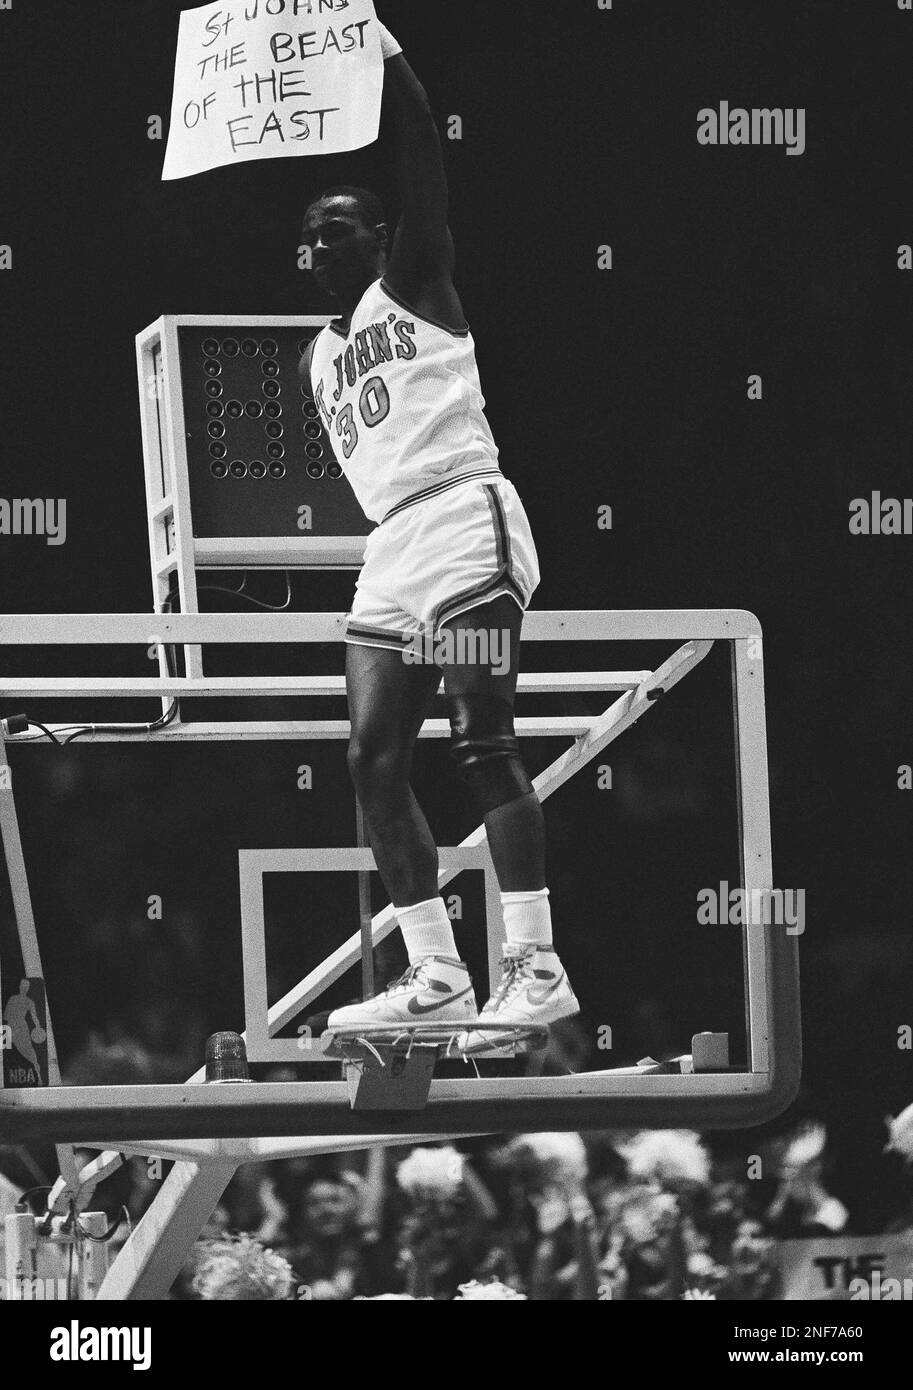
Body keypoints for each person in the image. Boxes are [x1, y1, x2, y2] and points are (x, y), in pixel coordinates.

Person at [299, 19, 578, 1047]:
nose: (319, 243)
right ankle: (434, 975)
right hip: (393, 553)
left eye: (338, 228)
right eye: (311, 234)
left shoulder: (413, 281)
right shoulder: (314, 361)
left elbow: (421, 151)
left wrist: (383, 53)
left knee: (481, 737)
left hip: (465, 521)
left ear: (380, 238)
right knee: (372, 760)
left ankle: (534, 964)